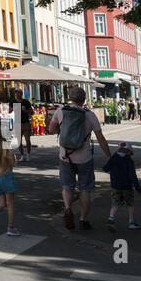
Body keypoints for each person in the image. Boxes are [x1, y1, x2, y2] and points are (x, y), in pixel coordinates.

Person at [48, 86, 111, 230]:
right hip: (84, 158)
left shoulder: (60, 111)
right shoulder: (89, 115)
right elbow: (100, 138)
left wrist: (61, 129)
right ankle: (83, 219)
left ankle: (68, 208)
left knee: (67, 186)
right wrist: (109, 156)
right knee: (85, 189)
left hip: (65, 156)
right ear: (84, 99)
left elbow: (51, 130)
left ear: (70, 98)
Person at [103, 141, 141, 230]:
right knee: (130, 204)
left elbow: (105, 168)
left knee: (115, 203)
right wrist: (138, 188)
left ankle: (111, 218)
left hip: (115, 186)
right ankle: (131, 222)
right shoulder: (129, 161)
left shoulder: (113, 158)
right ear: (129, 152)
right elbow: (133, 176)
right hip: (127, 186)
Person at [17, 94, 34, 161]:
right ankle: (22, 155)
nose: (17, 94)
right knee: (19, 141)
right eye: (16, 93)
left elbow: (32, 112)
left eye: (18, 93)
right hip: (18, 124)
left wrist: (25, 110)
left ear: (21, 94)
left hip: (26, 123)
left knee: (27, 140)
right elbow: (9, 111)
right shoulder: (13, 102)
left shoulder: (26, 102)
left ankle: (28, 155)